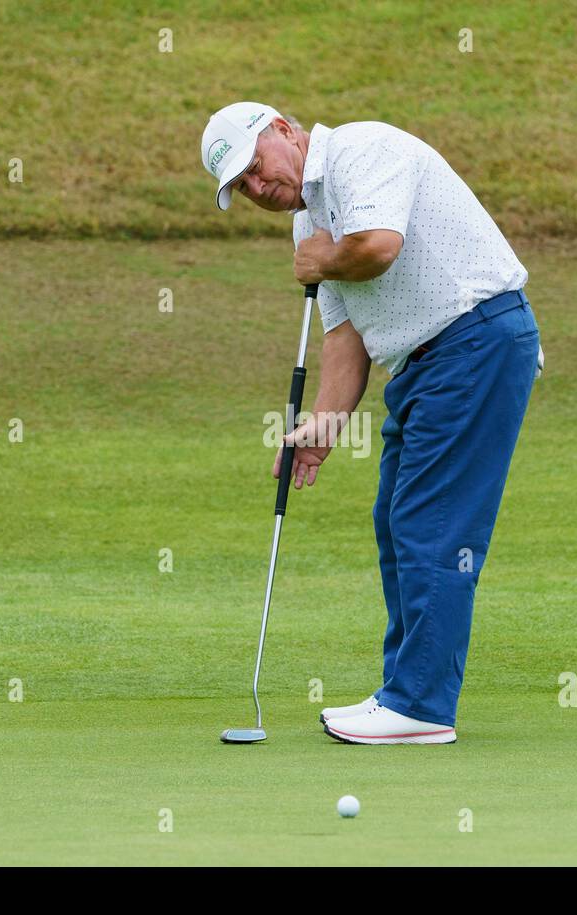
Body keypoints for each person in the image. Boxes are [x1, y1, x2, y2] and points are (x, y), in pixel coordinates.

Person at [201, 102, 541, 744]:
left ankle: (420, 705)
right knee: (397, 518)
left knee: (430, 522)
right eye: (240, 188)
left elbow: (379, 248)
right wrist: (324, 424)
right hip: (425, 366)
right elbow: (345, 337)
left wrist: (321, 260)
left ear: (282, 131)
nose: (256, 188)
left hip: (474, 341)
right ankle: (405, 693)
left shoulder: (362, 152)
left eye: (253, 168)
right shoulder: (312, 222)